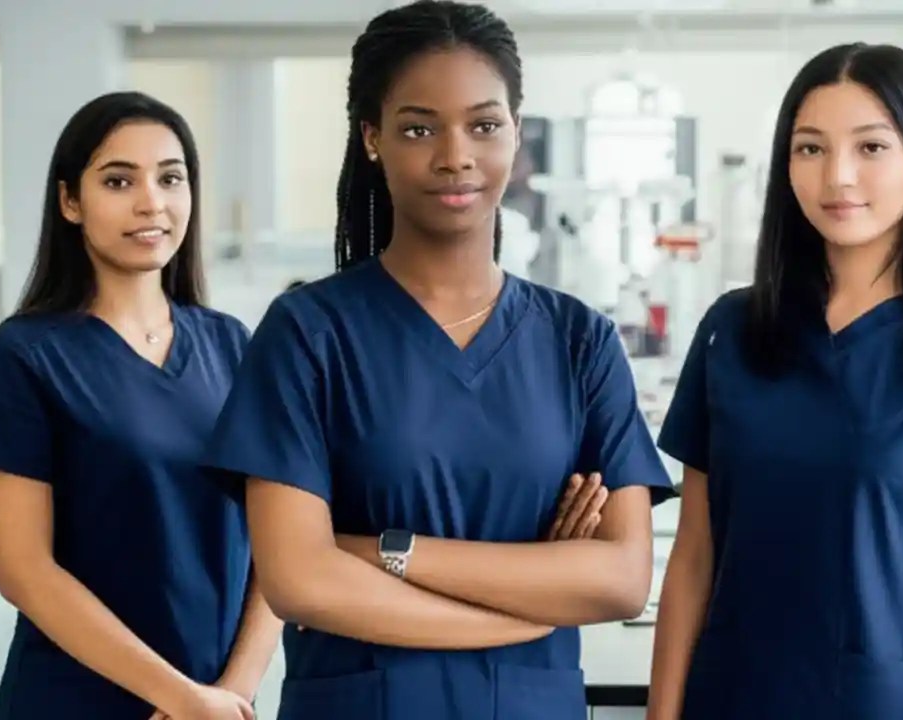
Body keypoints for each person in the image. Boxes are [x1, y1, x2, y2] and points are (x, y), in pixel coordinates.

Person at [199, 2, 676, 719]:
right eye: (419, 128)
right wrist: (528, 604)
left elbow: (618, 579)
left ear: (516, 132)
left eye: (484, 125)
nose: (456, 155)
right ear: (371, 137)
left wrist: (380, 550)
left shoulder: (579, 342)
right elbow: (300, 581)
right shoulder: (308, 335)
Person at [647, 43, 903, 720]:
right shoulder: (732, 330)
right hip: (730, 697)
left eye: (871, 148)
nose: (837, 176)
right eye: (809, 149)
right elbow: (694, 558)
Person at [0, 91, 283, 720]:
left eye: (170, 178)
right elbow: (24, 571)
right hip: (76, 699)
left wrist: (232, 693)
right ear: (70, 201)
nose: (151, 202)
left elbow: (278, 541)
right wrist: (179, 698)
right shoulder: (24, 357)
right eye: (118, 180)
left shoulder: (232, 345)